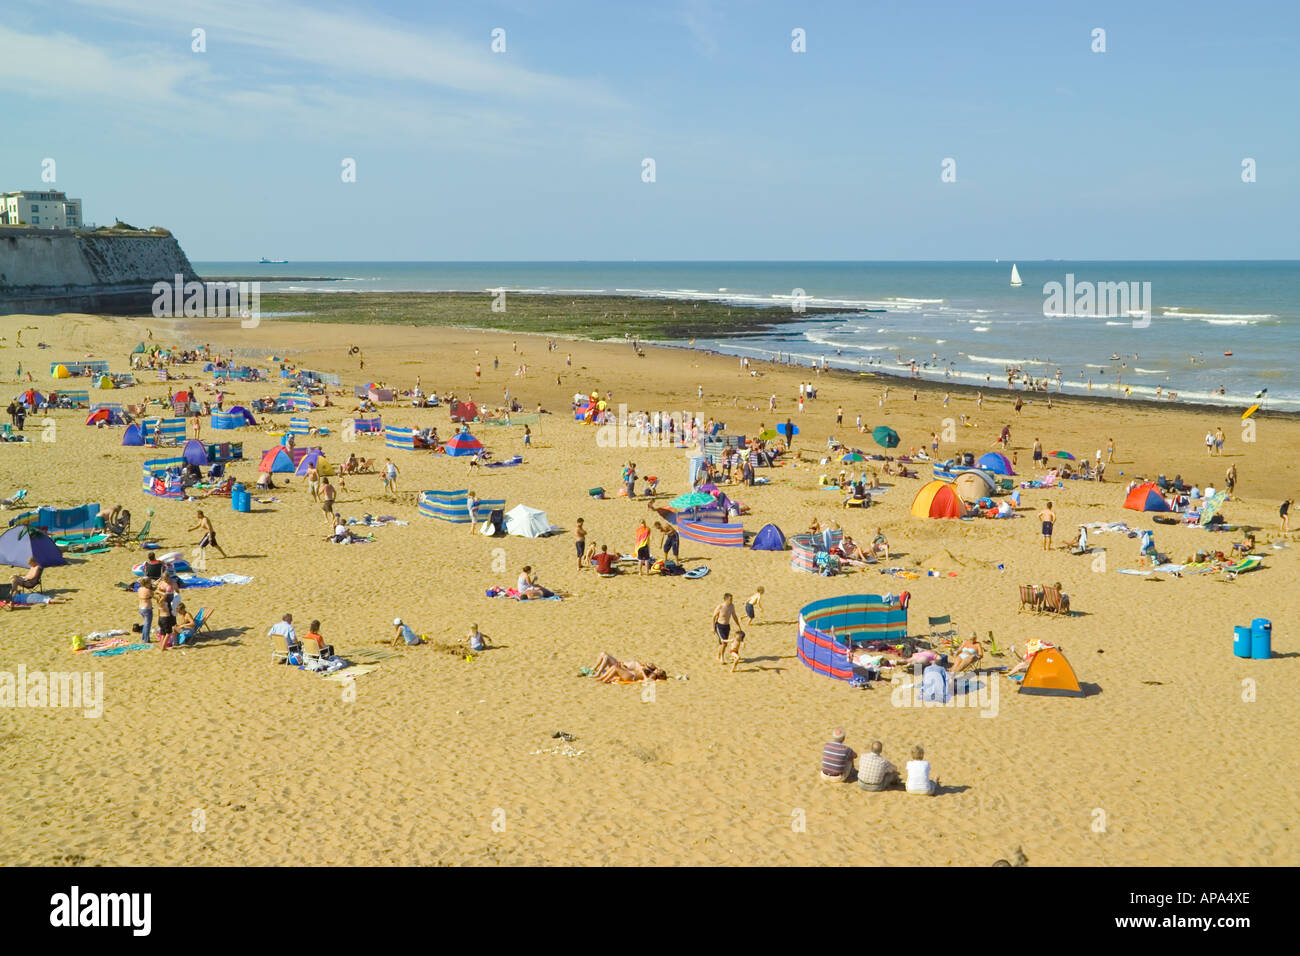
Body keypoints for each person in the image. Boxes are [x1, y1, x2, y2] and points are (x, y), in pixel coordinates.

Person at [712, 593, 741, 662]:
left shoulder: (732, 606)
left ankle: (718, 655)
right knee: (724, 643)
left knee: (723, 643)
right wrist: (713, 628)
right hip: (719, 626)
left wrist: (738, 625)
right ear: (726, 599)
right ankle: (722, 657)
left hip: (727, 626)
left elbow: (734, 616)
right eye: (730, 599)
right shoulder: (720, 606)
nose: (732, 600)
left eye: (732, 599)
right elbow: (714, 617)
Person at [137, 579, 154, 643]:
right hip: (147, 608)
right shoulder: (148, 590)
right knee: (147, 625)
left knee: (145, 624)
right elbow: (153, 595)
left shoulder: (140, 589)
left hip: (141, 607)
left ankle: (144, 638)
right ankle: (146, 639)